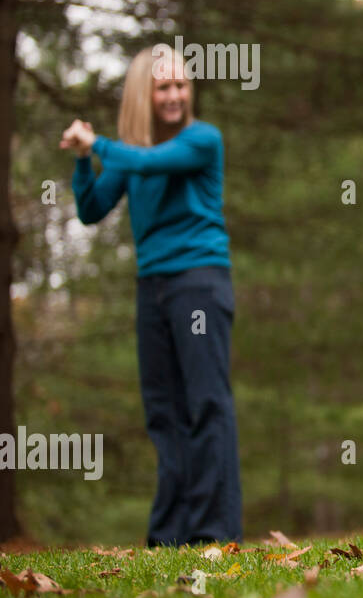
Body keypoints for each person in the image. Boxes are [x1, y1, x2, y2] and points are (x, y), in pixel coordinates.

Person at [60, 45, 242, 546]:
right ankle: (169, 534)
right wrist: (83, 160)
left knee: (205, 402)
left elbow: (153, 162)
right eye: (164, 86)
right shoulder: (132, 151)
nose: (175, 95)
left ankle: (214, 531)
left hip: (199, 281)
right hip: (153, 287)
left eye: (181, 85)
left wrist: (98, 143)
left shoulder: (201, 140)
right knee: (163, 409)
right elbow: (92, 209)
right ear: (145, 93)